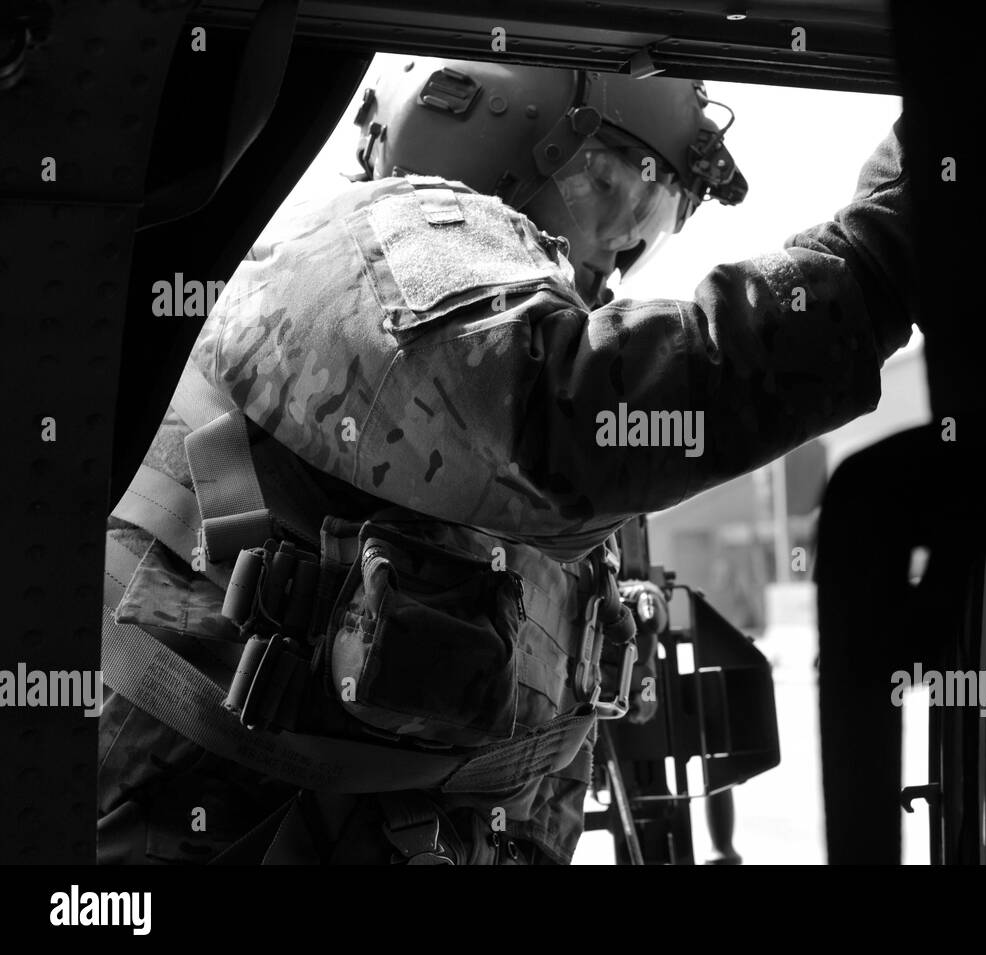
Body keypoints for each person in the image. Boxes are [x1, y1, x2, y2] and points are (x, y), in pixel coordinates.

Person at [98, 56, 916, 865]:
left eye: (658, 215)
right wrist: (885, 253)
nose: (631, 243)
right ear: (529, 139)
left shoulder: (451, 323)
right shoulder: (391, 236)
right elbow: (584, 414)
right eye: (619, 190)